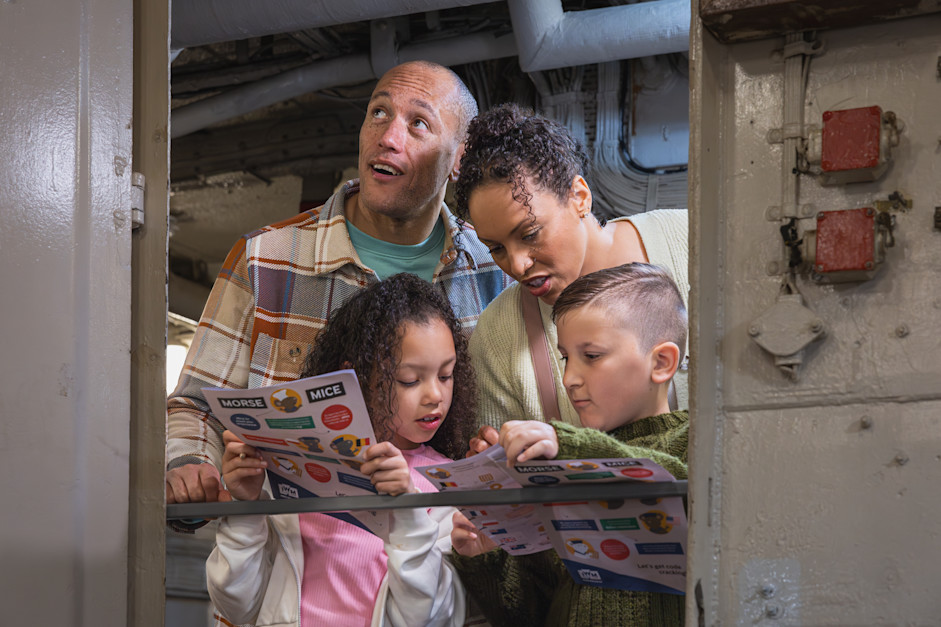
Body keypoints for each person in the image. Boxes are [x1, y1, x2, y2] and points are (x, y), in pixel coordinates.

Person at [166, 60, 510, 517]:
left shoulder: (494, 269)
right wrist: (191, 464)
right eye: (379, 113)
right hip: (291, 551)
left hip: (439, 552)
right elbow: (196, 406)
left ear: (459, 160)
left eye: (418, 124)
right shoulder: (265, 259)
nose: (388, 137)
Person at [207, 273, 476, 627]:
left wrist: (409, 513)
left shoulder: (446, 485)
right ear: (356, 377)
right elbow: (237, 607)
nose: (435, 396)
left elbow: (428, 619)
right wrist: (246, 508)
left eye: (446, 375)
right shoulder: (289, 470)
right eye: (410, 380)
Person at [449, 263, 689, 626]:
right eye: (565, 357)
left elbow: (676, 485)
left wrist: (572, 452)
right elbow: (530, 614)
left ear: (661, 362)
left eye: (591, 356)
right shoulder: (561, 464)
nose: (569, 378)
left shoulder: (698, 445)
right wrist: (490, 555)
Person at [452, 103, 688, 450]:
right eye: (496, 248)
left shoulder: (693, 242)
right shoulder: (497, 339)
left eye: (530, 234)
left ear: (579, 196)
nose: (517, 266)